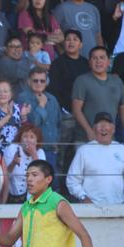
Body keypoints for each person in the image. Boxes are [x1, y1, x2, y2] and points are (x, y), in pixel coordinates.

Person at [48, 29, 88, 176]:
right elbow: (53, 91)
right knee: (61, 152)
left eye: (75, 39)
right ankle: (58, 186)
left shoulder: (86, 63)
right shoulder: (57, 64)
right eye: (68, 39)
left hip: (84, 116)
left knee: (81, 152)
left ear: (81, 44)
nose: (71, 42)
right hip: (65, 115)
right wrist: (65, 109)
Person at [66, 112, 124, 204]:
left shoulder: (121, 149)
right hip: (91, 207)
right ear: (93, 129)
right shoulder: (84, 150)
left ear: (113, 129)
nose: (103, 128)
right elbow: (72, 180)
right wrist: (83, 197)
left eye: (107, 125)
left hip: (119, 206)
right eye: (100, 125)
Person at [71, 46, 124, 143]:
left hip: (109, 138)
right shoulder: (82, 80)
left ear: (108, 62)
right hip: (85, 138)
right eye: (95, 58)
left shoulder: (117, 81)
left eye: (102, 58)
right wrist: (89, 131)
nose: (98, 61)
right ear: (89, 62)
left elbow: (122, 108)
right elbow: (76, 110)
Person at [17, 68, 61, 172]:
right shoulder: (23, 98)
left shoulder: (52, 99)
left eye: (42, 81)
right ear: (29, 81)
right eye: (35, 80)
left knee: (51, 183)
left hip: (51, 150)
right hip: (32, 150)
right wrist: (41, 105)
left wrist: (56, 141)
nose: (39, 83)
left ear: (46, 82)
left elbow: (58, 124)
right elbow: (32, 124)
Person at [0, 79, 30, 154]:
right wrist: (8, 116)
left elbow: (27, 131)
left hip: (16, 153)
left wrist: (24, 116)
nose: (2, 94)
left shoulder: (18, 108)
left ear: (10, 94)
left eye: (5, 91)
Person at [3, 123, 46, 203]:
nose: (28, 140)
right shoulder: (12, 149)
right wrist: (13, 163)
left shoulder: (40, 152)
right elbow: (5, 176)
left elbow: (42, 178)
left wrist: (34, 154)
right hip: (11, 197)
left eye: (32, 137)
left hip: (32, 198)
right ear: (20, 139)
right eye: (25, 136)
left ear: (37, 141)